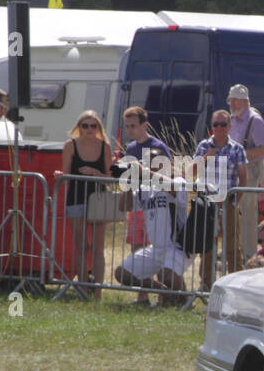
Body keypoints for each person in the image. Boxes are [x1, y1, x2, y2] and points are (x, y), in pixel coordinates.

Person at [114, 106, 176, 305]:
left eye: (133, 126)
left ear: (144, 125)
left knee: (159, 251)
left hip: (157, 205)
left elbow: (167, 177)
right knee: (137, 246)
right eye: (127, 126)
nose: (130, 130)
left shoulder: (158, 146)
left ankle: (164, 296)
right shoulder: (131, 148)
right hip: (138, 201)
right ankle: (142, 295)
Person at [59, 111, 114, 299]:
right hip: (76, 199)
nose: (89, 129)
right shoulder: (70, 145)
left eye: (93, 126)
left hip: (99, 199)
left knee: (98, 248)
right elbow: (65, 174)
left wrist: (95, 173)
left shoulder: (105, 147)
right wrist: (60, 175)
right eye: (85, 125)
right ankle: (82, 289)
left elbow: (110, 178)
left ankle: (98, 292)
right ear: (79, 128)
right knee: (82, 246)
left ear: (99, 128)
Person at [193, 109, 248, 289]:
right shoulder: (203, 146)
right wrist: (206, 157)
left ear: (229, 127)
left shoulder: (237, 149)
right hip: (207, 202)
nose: (219, 128)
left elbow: (243, 178)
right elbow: (191, 172)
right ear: (211, 127)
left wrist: (234, 202)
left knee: (232, 246)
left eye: (223, 124)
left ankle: (236, 285)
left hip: (228, 201)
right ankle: (207, 284)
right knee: (207, 246)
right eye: (215, 124)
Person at [225, 84, 264, 263]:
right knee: (233, 213)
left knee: (248, 215)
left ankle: (249, 257)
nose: (232, 104)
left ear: (245, 101)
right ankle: (233, 252)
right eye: (230, 100)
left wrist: (241, 153)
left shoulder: (255, 120)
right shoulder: (231, 119)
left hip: (250, 170)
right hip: (234, 170)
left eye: (236, 100)